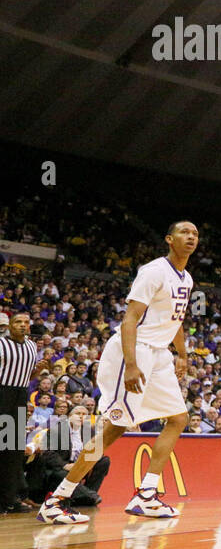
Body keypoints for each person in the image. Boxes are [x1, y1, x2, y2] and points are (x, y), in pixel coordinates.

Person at [39, 222, 200, 524]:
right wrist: (131, 363)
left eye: (195, 234)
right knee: (114, 429)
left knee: (178, 418)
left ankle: (146, 495)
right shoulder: (153, 271)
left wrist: (182, 354)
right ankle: (56, 500)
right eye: (184, 232)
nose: (191, 237)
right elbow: (130, 319)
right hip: (134, 350)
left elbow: (175, 319)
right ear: (169, 239)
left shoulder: (187, 278)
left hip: (159, 353)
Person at [1, 312, 43, 514]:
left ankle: (10, 499)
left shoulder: (31, 346)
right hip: (2, 393)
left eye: (26, 322)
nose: (23, 325)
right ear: (9, 325)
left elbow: (27, 375)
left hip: (20, 395)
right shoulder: (1, 344)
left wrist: (38, 371)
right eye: (18, 322)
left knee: (14, 450)